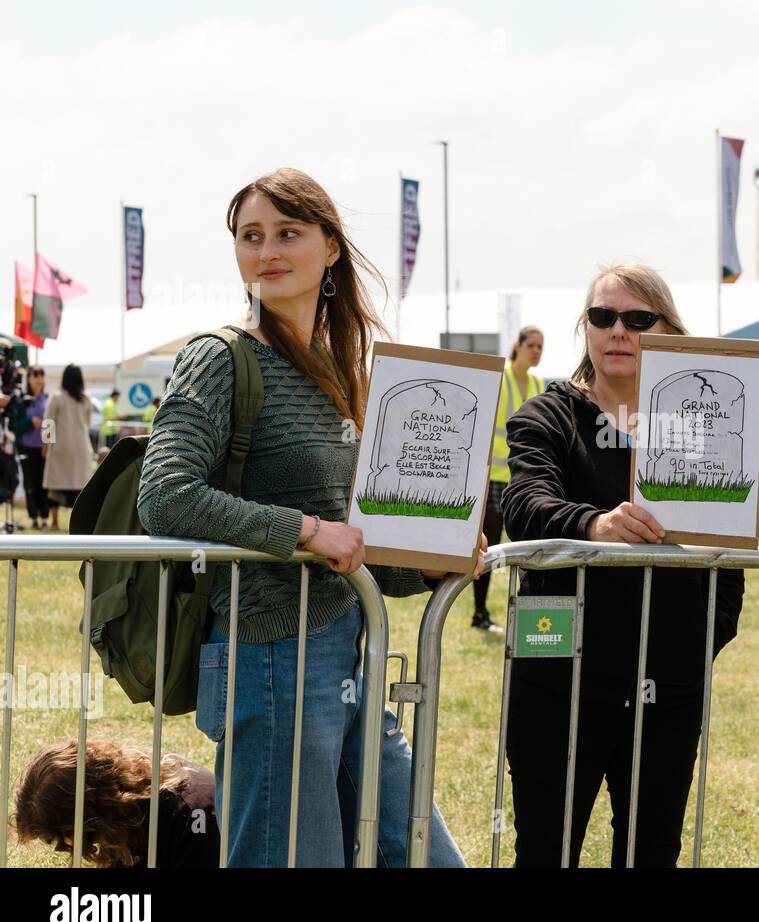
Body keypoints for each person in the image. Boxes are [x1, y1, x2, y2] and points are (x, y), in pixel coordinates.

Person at [137, 168, 474, 868]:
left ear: (331, 249)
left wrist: (425, 562)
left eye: (287, 233)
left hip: (349, 652)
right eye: (250, 237)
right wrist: (302, 531)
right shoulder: (219, 357)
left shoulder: (343, 368)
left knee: (420, 854)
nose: (267, 251)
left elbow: (353, 541)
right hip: (268, 657)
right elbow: (164, 493)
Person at [501, 262, 746, 867]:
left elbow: (729, 540)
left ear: (667, 329)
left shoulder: (703, 424)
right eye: (603, 317)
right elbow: (523, 504)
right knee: (546, 849)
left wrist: (702, 640)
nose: (619, 331)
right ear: (584, 328)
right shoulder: (547, 415)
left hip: (667, 680)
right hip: (555, 667)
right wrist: (594, 525)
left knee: (650, 849)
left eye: (638, 319)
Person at [13, 739, 220, 867]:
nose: (62, 847)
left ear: (89, 817)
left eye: (60, 837)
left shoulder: (189, 817)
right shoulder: (129, 806)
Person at [475, 325, 545, 635]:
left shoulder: (538, 383)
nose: (537, 351)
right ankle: (479, 613)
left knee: (526, 548)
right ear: (517, 345)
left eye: (541, 347)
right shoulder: (499, 378)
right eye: (532, 345)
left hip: (523, 480)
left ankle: (524, 615)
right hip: (493, 479)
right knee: (489, 548)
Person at [43, 364, 96, 521]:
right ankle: (79, 522)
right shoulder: (86, 398)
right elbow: (87, 422)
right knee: (80, 488)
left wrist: (46, 445)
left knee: (55, 485)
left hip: (61, 447)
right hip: (81, 447)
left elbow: (49, 423)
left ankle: (54, 521)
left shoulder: (57, 396)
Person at [15, 366, 51, 528]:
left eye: (41, 375)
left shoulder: (48, 399)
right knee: (29, 484)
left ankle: (44, 517)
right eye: (35, 375)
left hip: (43, 449)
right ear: (28, 378)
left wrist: (48, 444)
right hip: (26, 447)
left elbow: (51, 423)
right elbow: (15, 426)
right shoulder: (21, 400)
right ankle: (33, 518)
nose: (38, 379)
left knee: (42, 483)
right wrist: (30, 423)